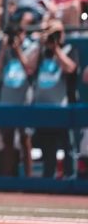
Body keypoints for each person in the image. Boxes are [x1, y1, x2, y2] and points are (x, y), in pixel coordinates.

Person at [28, 21, 79, 179]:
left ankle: (70, 178)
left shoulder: (69, 50)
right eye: (52, 33)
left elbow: (70, 68)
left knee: (67, 147)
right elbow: (29, 68)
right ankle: (47, 181)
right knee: (47, 149)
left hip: (63, 108)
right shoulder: (42, 52)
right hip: (43, 109)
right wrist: (40, 44)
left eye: (58, 33)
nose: (55, 37)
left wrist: (56, 48)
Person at [0, 22, 35, 177]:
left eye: (17, 34)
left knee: (25, 140)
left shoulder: (32, 47)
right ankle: (8, 178)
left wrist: (17, 50)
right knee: (7, 140)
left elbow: (29, 70)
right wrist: (4, 49)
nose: (15, 38)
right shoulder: (6, 51)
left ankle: (29, 178)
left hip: (23, 100)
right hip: (7, 100)